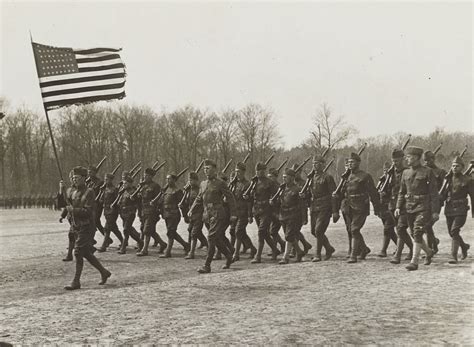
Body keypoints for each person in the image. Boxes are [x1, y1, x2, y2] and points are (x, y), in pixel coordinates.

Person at [60, 166, 111, 290]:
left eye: (77, 178)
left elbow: (88, 212)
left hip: (87, 226)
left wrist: (73, 210)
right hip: (75, 226)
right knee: (86, 253)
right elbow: (62, 204)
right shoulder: (71, 191)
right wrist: (61, 190)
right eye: (73, 178)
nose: (74, 180)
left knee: (77, 252)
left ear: (84, 178)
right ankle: (104, 272)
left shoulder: (90, 192)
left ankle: (76, 281)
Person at [189, 159, 236, 273]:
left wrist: (233, 214)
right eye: (204, 169)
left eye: (208, 168)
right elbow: (199, 198)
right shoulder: (203, 183)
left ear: (214, 169)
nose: (206, 170)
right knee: (217, 239)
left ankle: (207, 265)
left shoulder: (220, 183)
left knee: (211, 238)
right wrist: (191, 209)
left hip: (218, 213)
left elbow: (230, 198)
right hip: (207, 215)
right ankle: (229, 256)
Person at [396, 146, 439, 271]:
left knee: (417, 231)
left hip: (423, 207)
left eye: (409, 157)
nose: (406, 159)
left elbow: (434, 193)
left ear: (416, 158)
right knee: (413, 233)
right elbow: (401, 192)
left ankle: (414, 261)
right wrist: (398, 206)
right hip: (409, 207)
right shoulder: (405, 173)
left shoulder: (427, 172)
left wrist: (435, 211)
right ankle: (429, 252)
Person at [343, 152, 381, 263]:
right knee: (352, 229)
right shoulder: (346, 176)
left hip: (361, 206)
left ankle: (353, 256)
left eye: (352, 162)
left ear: (358, 163)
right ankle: (364, 249)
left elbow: (373, 193)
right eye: (349, 162)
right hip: (349, 206)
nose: (350, 164)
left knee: (354, 229)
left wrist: (377, 208)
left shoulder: (365, 176)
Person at [440, 156, 473, 264]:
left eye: (457, 166)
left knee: (454, 230)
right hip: (449, 209)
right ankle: (464, 246)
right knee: (452, 232)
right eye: (453, 166)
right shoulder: (447, 179)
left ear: (462, 167)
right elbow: (443, 195)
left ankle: (453, 256)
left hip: (461, 210)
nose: (455, 168)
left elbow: (473, 196)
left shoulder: (468, 180)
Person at [305, 155, 338, 262]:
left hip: (325, 206)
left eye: (318, 163)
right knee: (313, 231)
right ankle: (329, 248)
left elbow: (334, 195)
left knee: (319, 230)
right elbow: (308, 193)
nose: (315, 165)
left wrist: (335, 211)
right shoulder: (311, 178)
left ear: (323, 165)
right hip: (314, 207)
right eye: (314, 164)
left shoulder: (328, 177)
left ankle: (317, 254)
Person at [270, 168, 305, 264]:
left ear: (292, 178)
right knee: (289, 236)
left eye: (286, 177)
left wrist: (304, 218)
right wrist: (273, 202)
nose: (284, 179)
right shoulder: (282, 189)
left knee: (288, 236)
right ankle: (299, 251)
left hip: (294, 215)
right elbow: (280, 202)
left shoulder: (298, 189)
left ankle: (285, 257)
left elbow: (303, 205)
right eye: (283, 177)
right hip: (283, 215)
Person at [247, 162, 280, 263]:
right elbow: (250, 199)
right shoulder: (253, 182)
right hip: (257, 210)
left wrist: (275, 211)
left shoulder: (270, 182)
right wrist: (250, 214)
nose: (258, 173)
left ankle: (258, 256)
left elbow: (277, 197)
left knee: (261, 232)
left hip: (267, 210)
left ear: (264, 171)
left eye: (260, 171)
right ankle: (275, 250)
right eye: (257, 171)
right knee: (265, 233)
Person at [388, 149, 414, 264]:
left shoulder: (408, 172)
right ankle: (413, 248)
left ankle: (398, 255)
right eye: (393, 161)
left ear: (403, 160)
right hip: (393, 204)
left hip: (405, 204)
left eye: (397, 161)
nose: (395, 163)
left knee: (400, 228)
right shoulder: (390, 173)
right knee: (399, 229)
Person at [158, 173, 189, 258]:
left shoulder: (177, 191)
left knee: (170, 232)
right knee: (172, 233)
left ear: (174, 180)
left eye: (169, 179)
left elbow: (183, 204)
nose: (167, 180)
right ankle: (186, 245)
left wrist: (185, 215)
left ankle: (168, 252)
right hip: (166, 214)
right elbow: (161, 202)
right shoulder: (165, 190)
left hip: (174, 214)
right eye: (167, 179)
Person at [230, 162, 257, 262]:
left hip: (244, 212)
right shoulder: (234, 183)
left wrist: (250, 215)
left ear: (243, 172)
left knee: (238, 232)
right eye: (236, 172)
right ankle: (253, 249)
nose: (237, 174)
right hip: (235, 212)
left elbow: (250, 202)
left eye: (239, 172)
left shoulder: (247, 184)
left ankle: (236, 254)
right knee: (239, 232)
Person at [422, 150, 446, 254]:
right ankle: (434, 245)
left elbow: (446, 188)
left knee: (427, 225)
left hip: (436, 202)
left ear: (433, 159)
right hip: (425, 202)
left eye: (428, 160)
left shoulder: (441, 172)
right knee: (427, 226)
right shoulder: (423, 171)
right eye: (425, 160)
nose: (426, 162)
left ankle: (430, 248)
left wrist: (441, 197)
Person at [180, 171, 208, 259]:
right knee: (191, 230)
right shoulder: (188, 190)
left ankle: (191, 253)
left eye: (192, 180)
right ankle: (207, 245)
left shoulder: (200, 189)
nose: (190, 182)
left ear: (196, 181)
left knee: (194, 233)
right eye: (189, 180)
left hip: (199, 214)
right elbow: (186, 202)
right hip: (192, 215)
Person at [136, 168, 163, 256]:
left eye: (147, 176)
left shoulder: (155, 186)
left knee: (147, 230)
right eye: (144, 175)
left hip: (152, 211)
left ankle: (145, 249)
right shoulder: (143, 186)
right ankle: (162, 244)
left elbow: (160, 199)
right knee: (150, 230)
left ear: (151, 176)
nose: (145, 177)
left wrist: (156, 207)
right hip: (144, 210)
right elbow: (139, 198)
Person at [117, 174, 143, 254]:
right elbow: (121, 202)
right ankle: (141, 242)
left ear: (131, 184)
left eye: (126, 183)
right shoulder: (124, 191)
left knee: (126, 230)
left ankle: (123, 248)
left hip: (130, 213)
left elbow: (138, 203)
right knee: (129, 230)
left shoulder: (134, 192)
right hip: (123, 213)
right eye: (124, 183)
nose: (124, 185)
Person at [97, 173, 124, 252]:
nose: (105, 181)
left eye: (107, 179)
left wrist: (114, 207)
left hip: (113, 211)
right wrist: (101, 192)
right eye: (105, 179)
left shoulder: (114, 189)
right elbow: (100, 200)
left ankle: (103, 246)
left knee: (107, 228)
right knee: (114, 228)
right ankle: (123, 241)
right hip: (106, 210)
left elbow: (118, 200)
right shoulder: (104, 189)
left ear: (111, 180)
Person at [377, 162, 398, 257]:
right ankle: (399, 246)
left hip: (391, 206)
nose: (386, 172)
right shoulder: (382, 180)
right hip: (383, 208)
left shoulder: (394, 180)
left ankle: (383, 250)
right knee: (390, 230)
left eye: (388, 170)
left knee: (387, 228)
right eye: (384, 170)